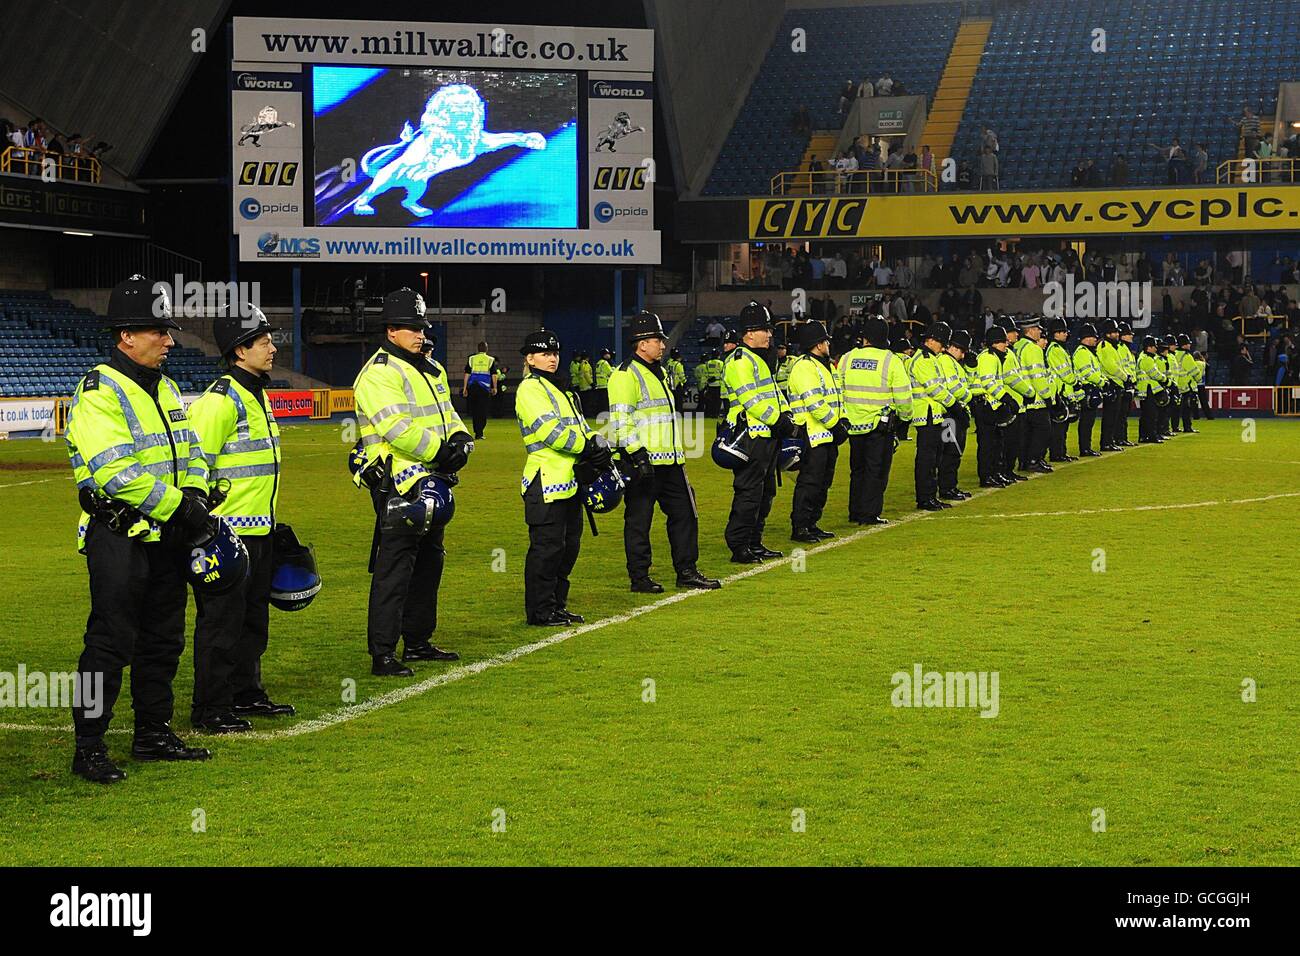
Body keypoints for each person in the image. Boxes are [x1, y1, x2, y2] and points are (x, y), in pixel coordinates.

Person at [64, 275, 213, 782]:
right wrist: (182, 508)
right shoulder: (99, 389)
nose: (169, 340)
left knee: (163, 639)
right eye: (159, 331)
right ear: (126, 334)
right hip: (119, 534)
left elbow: (191, 452)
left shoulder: (167, 386)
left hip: (167, 534)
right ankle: (88, 747)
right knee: (109, 641)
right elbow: (115, 473)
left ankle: (152, 733)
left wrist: (193, 494)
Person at [187, 307, 295, 733]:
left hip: (259, 529)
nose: (272, 347)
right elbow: (197, 468)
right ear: (239, 349)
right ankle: (210, 707)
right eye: (263, 341)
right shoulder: (219, 399)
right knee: (220, 623)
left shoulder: (256, 393)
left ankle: (245, 692)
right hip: (225, 533)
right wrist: (203, 529)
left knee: (252, 619)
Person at [353, 289, 472, 676]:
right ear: (391, 330)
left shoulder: (429, 368)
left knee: (429, 562)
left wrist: (458, 439)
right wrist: (442, 451)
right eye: (412, 328)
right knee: (396, 567)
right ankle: (383, 653)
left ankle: (418, 640)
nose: (421, 335)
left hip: (432, 478)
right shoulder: (379, 373)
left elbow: (449, 413)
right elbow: (396, 429)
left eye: (422, 327)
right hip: (398, 481)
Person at [607, 312, 720, 594]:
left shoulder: (660, 370)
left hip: (671, 461)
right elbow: (621, 421)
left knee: (686, 515)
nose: (662, 344)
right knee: (639, 521)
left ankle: (687, 571)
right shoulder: (624, 375)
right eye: (658, 339)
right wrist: (637, 453)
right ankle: (639, 577)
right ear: (641, 343)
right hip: (642, 461)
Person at [516, 329, 609, 626]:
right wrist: (587, 446)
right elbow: (549, 432)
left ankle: (556, 604)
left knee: (568, 548)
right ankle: (540, 610)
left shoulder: (562, 390)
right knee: (547, 550)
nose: (552, 358)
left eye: (555, 353)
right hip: (544, 480)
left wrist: (599, 442)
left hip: (570, 481)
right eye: (544, 353)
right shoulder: (530, 389)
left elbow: (581, 427)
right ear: (530, 358)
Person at [722, 302, 793, 563]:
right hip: (750, 436)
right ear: (749, 333)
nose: (770, 334)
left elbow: (774, 393)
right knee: (749, 492)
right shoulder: (741, 361)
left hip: (766, 435)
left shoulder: (759, 359)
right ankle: (739, 545)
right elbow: (752, 399)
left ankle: (754, 541)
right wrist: (779, 420)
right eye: (765, 330)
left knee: (765, 492)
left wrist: (785, 415)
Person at [838, 317, 912, 524]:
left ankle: (855, 511)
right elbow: (904, 396)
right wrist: (905, 418)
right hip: (879, 426)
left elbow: (838, 389)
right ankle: (869, 513)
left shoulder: (846, 358)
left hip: (853, 426)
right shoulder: (891, 361)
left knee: (857, 470)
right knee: (876, 471)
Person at [787, 320, 846, 542]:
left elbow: (837, 398)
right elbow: (815, 403)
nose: (828, 344)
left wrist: (842, 421)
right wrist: (836, 425)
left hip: (826, 434)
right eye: (825, 341)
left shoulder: (825, 366)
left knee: (823, 482)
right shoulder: (804, 367)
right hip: (812, 434)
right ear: (818, 344)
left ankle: (811, 523)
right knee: (810, 482)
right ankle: (800, 526)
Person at [907, 322, 957, 511]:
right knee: (927, 460)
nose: (944, 347)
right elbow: (935, 389)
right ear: (932, 340)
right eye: (942, 343)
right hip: (925, 415)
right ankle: (925, 498)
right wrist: (954, 404)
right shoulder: (923, 359)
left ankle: (930, 496)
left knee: (933, 458)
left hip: (933, 415)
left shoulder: (930, 358)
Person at [972, 324, 1013, 486]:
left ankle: (994, 473)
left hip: (990, 405)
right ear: (995, 343)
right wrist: (1006, 398)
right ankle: (987, 476)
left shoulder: (992, 357)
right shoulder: (989, 358)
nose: (1007, 344)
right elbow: (989, 382)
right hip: (984, 405)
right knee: (988, 444)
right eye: (1003, 341)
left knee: (996, 442)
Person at [935, 327, 973, 501]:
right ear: (956, 348)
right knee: (951, 451)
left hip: (953, 413)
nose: (963, 356)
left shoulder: (950, 362)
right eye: (963, 351)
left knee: (953, 451)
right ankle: (947, 487)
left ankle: (950, 486)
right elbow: (954, 388)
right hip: (951, 414)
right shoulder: (946, 362)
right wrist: (969, 397)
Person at [1012, 316, 1053, 473]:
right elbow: (1037, 376)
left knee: (1026, 433)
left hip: (1022, 397)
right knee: (1043, 430)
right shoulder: (1033, 348)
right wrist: (1047, 396)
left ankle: (1024, 461)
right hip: (1036, 398)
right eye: (1038, 329)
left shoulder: (1017, 346)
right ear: (1030, 331)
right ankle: (1034, 460)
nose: (1040, 332)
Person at [1043, 317, 1078, 463]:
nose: (1066, 334)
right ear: (1055, 334)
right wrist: (1075, 382)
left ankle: (1061, 452)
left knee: (1063, 427)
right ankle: (1057, 453)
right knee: (1058, 427)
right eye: (1062, 331)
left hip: (1062, 391)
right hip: (1058, 391)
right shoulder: (1055, 350)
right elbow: (1064, 373)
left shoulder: (1059, 349)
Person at [1071, 323, 1106, 457]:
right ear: (1085, 338)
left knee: (1089, 421)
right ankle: (1084, 448)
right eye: (1093, 337)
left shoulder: (1087, 352)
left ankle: (1087, 447)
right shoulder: (1082, 352)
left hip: (1090, 389)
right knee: (1086, 421)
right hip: (1085, 391)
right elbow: (1088, 373)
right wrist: (1103, 382)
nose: (1095, 339)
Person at [1095, 319, 1126, 451]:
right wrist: (1125, 377)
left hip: (1115, 383)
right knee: (1110, 416)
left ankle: (1109, 441)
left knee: (1113, 416)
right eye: (1114, 332)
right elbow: (1111, 367)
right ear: (1108, 334)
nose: (1117, 335)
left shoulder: (1110, 346)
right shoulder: (1105, 346)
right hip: (1112, 383)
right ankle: (1106, 442)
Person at [462, 341, 499, 441]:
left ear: (477, 349)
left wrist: (465, 388)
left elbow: (467, 374)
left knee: (475, 411)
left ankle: (476, 431)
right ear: (486, 349)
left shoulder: (472, 359)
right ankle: (480, 432)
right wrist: (495, 387)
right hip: (484, 388)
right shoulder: (490, 360)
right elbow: (494, 375)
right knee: (482, 410)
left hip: (473, 387)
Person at [1135, 336, 1166, 443]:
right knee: (1151, 415)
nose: (1156, 349)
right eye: (1154, 347)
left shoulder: (1142, 357)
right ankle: (1151, 436)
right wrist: (1165, 380)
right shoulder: (1147, 359)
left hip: (1144, 390)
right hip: (1148, 390)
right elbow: (1155, 374)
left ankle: (1143, 436)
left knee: (1146, 415)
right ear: (1149, 348)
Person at [1175, 335, 1200, 432]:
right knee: (1187, 409)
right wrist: (1197, 380)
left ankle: (1175, 427)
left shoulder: (1174, 354)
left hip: (1177, 385)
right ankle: (1187, 427)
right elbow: (1195, 372)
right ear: (1184, 345)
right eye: (1188, 343)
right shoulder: (1187, 356)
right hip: (1186, 386)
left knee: (1175, 409)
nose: (1190, 345)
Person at [593, 347, 614, 415]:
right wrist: (614, 368)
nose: (608, 355)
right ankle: (606, 414)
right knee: (605, 402)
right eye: (607, 354)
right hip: (605, 385)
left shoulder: (598, 363)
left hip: (599, 385)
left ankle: (600, 414)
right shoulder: (605, 363)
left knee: (600, 402)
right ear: (604, 355)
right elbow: (611, 373)